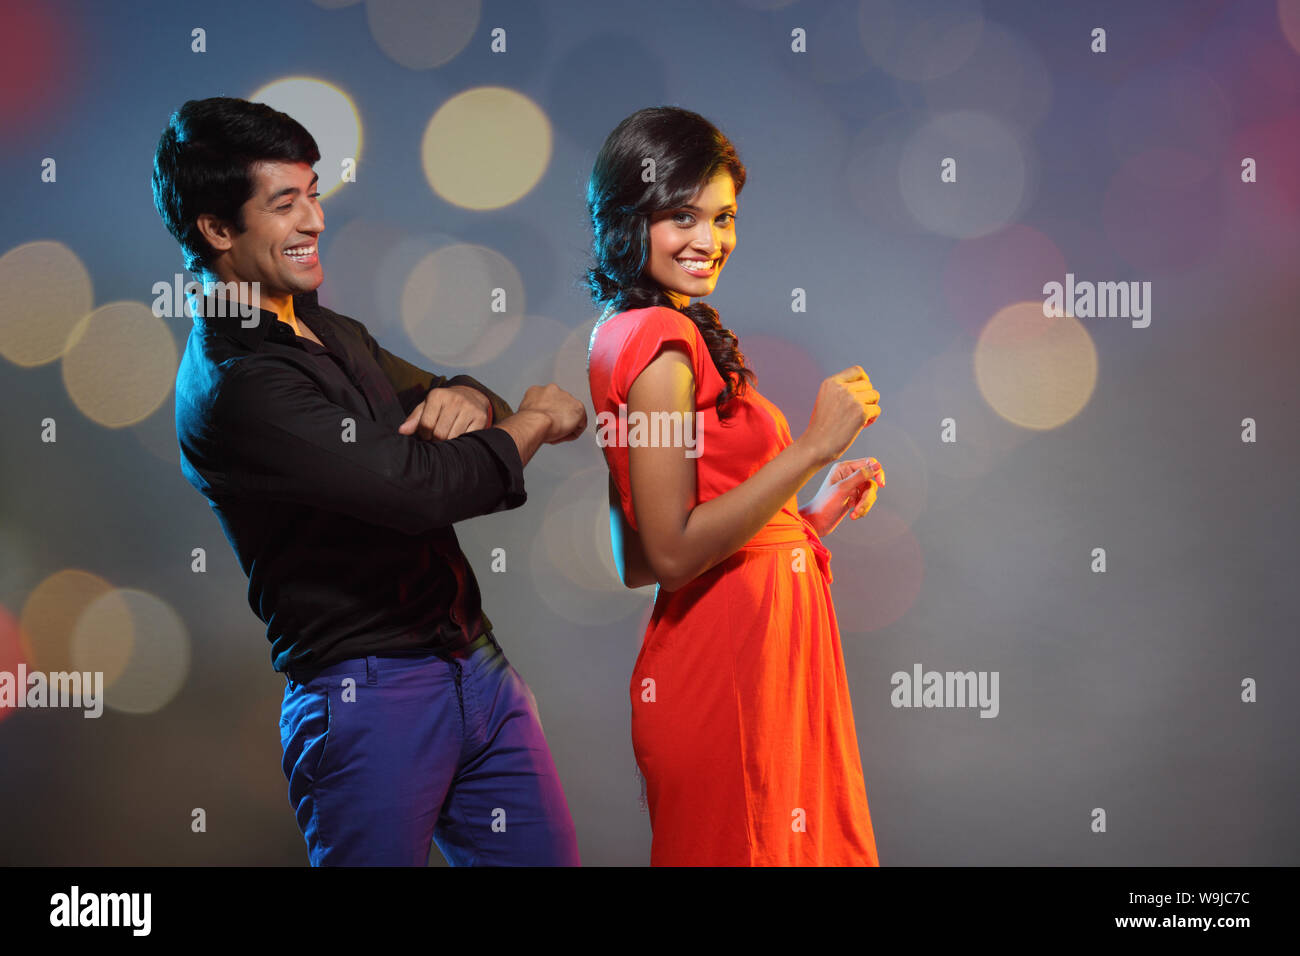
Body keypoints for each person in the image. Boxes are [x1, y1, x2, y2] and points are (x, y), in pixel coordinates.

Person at [154, 97, 586, 865]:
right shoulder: (240, 384)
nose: (316, 220)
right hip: (367, 698)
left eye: (314, 192)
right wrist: (535, 419)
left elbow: (441, 397)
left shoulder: (326, 328)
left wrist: (471, 394)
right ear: (217, 230)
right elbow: (421, 489)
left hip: (477, 671)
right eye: (286, 204)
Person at [585, 106, 887, 865]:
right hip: (728, 679)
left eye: (724, 218)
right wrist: (814, 446)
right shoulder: (659, 348)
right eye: (682, 216)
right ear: (629, 217)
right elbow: (674, 554)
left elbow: (639, 561)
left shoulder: (642, 331)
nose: (710, 241)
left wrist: (806, 520)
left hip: (761, 657)